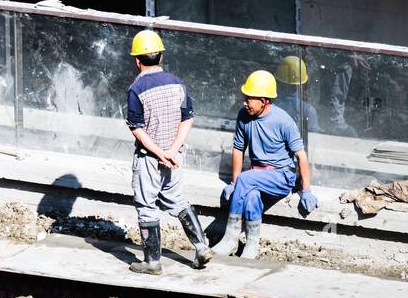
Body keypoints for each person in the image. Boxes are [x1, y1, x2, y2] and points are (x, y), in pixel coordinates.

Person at [126, 28, 212, 276]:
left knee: (146, 205)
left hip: (149, 158)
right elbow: (188, 119)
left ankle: (152, 262)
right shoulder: (178, 84)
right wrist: (172, 150)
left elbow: (137, 130)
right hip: (175, 157)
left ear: (137, 60)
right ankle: (201, 247)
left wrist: (159, 153)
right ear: (161, 57)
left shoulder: (136, 89)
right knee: (177, 199)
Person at [213, 69, 319, 261]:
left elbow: (301, 156)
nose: (245, 102)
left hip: (281, 176)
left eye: (250, 98)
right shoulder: (244, 116)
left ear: (264, 101)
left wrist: (307, 190)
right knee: (251, 196)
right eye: (245, 97)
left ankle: (230, 238)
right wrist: (234, 183)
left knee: (245, 180)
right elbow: (238, 148)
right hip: (257, 176)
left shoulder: (283, 120)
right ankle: (252, 244)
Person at [275, 54, 319, 134]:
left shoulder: (268, 105)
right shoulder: (309, 111)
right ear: (302, 84)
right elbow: (314, 140)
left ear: (278, 81)